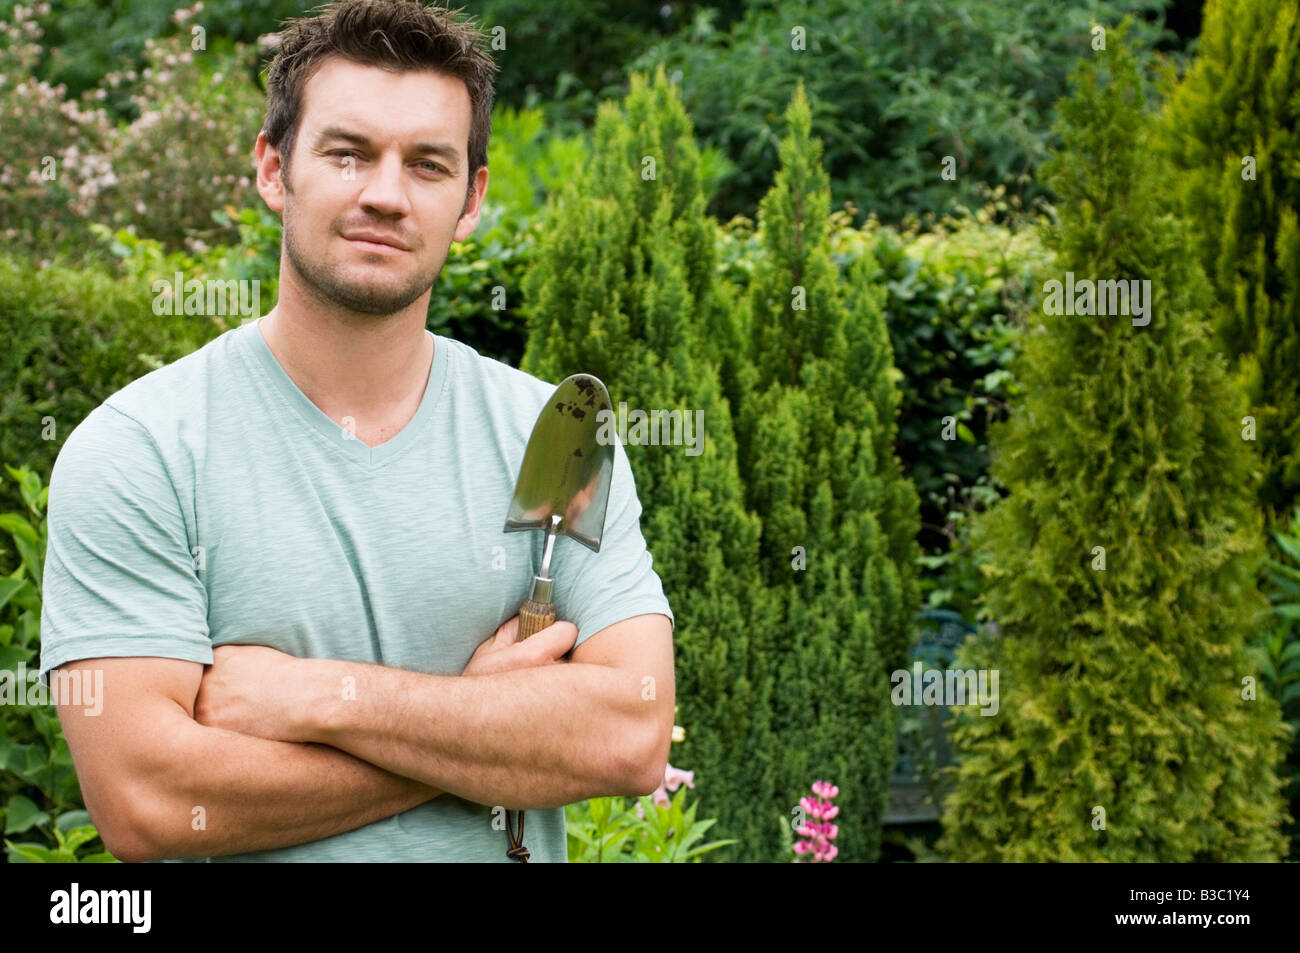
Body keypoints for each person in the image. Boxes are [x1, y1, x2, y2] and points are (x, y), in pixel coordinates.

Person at [38, 0, 675, 863]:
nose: (384, 192)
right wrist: (483, 726)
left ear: (472, 198)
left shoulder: (555, 432)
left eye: (427, 163)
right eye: (347, 153)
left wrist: (317, 699)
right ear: (273, 168)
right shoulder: (140, 451)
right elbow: (148, 800)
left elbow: (629, 733)